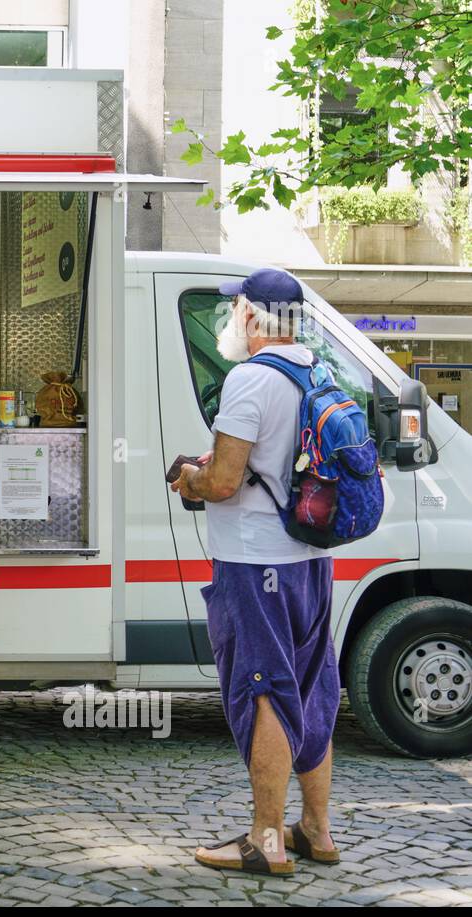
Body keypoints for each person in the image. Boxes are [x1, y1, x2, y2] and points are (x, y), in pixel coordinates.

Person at [170, 267, 341, 877]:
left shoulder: (250, 379)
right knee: (312, 684)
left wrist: (188, 478)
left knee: (264, 688)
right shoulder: (317, 369)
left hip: (255, 562)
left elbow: (222, 480)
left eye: (233, 308)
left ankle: (266, 839)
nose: (229, 319)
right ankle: (316, 830)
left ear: (249, 315)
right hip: (312, 559)